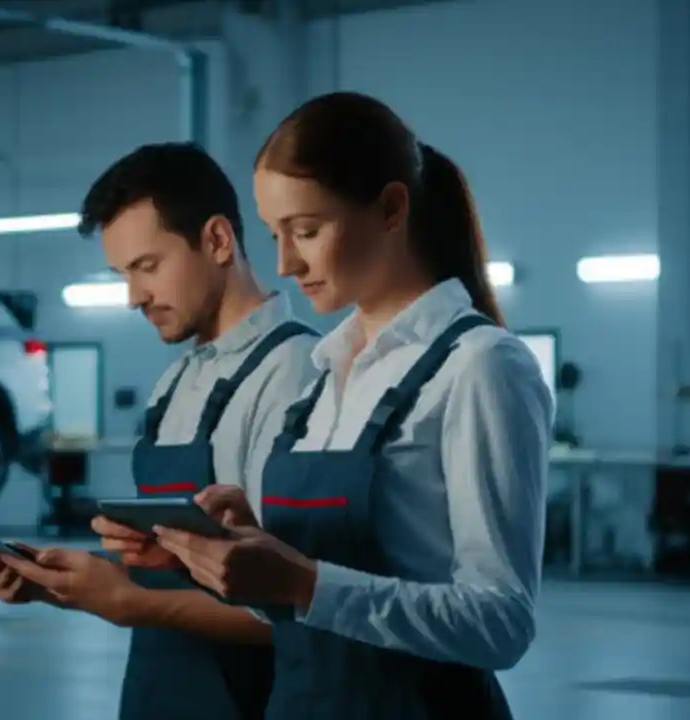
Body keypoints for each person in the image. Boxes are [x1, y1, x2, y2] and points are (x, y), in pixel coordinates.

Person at [148, 93, 554, 718]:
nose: (285, 263)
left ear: (392, 209)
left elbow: (501, 621)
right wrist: (242, 551)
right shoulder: (322, 376)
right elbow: (298, 603)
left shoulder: (479, 365)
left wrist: (305, 584)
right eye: (274, 234)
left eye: (306, 231)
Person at [0, 142, 319, 720]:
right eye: (122, 274)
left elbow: (302, 608)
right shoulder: (173, 384)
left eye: (147, 267)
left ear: (217, 241)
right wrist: (71, 585)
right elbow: (169, 573)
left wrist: (128, 602)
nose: (134, 297)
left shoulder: (299, 374)